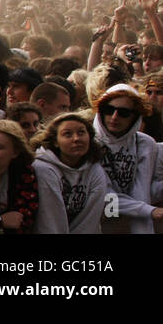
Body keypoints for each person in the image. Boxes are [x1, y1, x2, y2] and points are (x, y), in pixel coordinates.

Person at [90, 83, 163, 234]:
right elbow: (103, 194)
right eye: (109, 110)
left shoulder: (145, 143)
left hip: (137, 223)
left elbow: (144, 190)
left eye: (123, 113)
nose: (114, 117)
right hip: (99, 224)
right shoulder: (89, 144)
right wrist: (148, 210)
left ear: (135, 116)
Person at [31, 112, 109, 234]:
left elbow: (90, 218)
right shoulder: (42, 168)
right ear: (55, 141)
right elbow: (50, 220)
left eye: (81, 132)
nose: (76, 139)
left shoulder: (95, 170)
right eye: (67, 134)